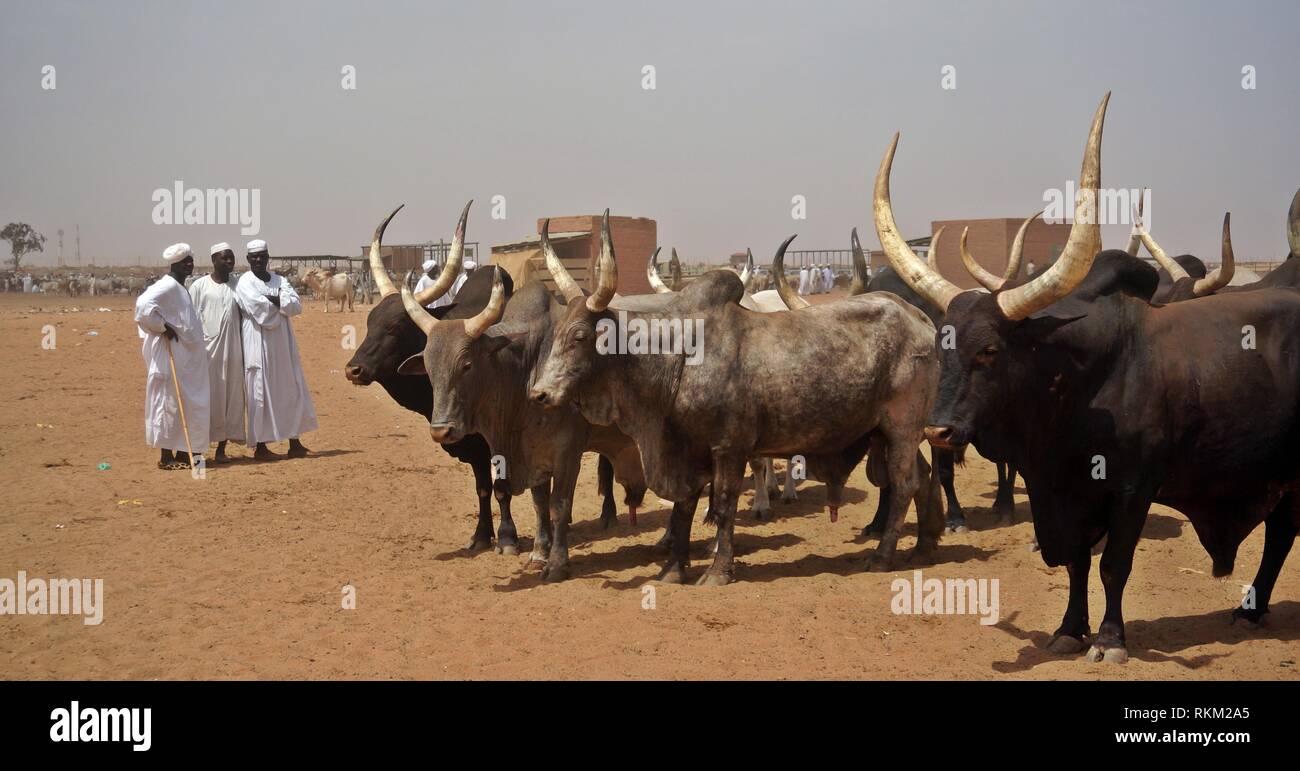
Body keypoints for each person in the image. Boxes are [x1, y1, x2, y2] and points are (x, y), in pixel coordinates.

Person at [235, 239, 318, 460]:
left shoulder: (279, 280)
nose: (259, 260)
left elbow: (295, 305)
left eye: (263, 256)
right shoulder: (244, 282)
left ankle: (295, 442)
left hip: (283, 344)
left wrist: (276, 301)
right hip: (257, 342)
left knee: (289, 387)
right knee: (260, 390)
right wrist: (280, 302)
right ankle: (261, 447)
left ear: (268, 257)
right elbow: (259, 310)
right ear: (249, 260)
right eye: (255, 257)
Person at [134, 243, 210, 470]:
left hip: (187, 358)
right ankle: (166, 456)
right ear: (174, 264)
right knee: (168, 403)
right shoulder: (166, 286)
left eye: (190, 261)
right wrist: (161, 327)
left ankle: (183, 453)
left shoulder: (179, 287)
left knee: (184, 403)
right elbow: (142, 306)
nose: (189, 265)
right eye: (184, 262)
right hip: (172, 356)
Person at [189, 242, 246, 463]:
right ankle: (198, 450)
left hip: (233, 351)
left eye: (231, 258)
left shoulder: (238, 286)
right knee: (208, 399)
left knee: (231, 398)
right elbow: (192, 319)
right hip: (208, 352)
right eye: (225, 258)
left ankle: (222, 449)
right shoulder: (199, 286)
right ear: (214, 260)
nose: (229, 262)